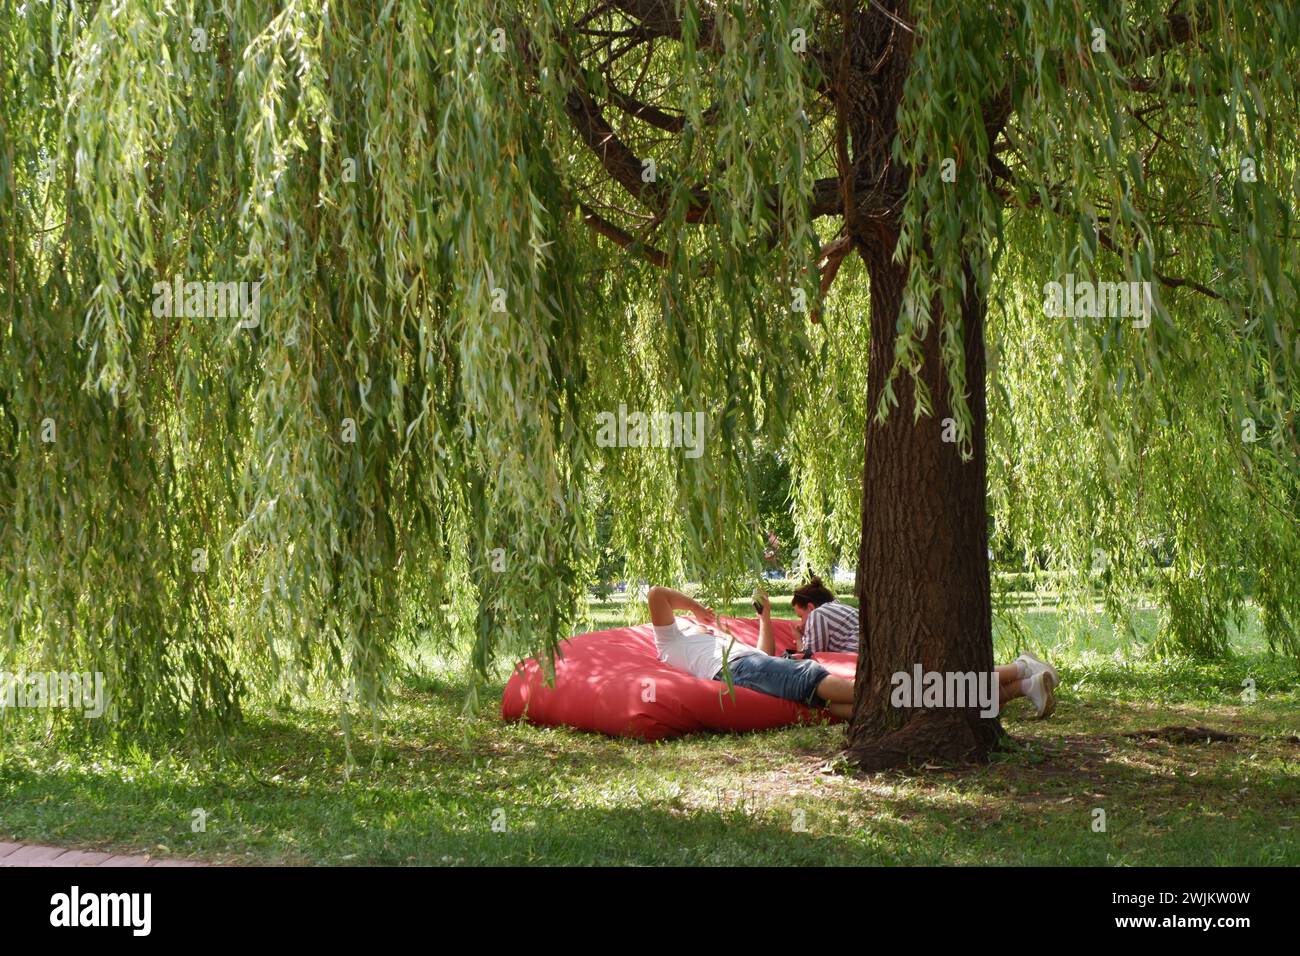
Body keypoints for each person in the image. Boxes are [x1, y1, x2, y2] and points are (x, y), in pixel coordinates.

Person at [753, 581, 1059, 718]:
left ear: (809, 607)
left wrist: (798, 638)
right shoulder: (842, 610)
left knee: (940, 688)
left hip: (873, 666)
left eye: (799, 615)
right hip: (878, 663)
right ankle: (1025, 684)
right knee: (945, 693)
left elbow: (815, 654)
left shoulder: (820, 614)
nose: (800, 621)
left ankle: (1021, 668)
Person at [647, 585, 857, 719]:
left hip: (748, 664)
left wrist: (764, 618)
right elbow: (657, 594)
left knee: (822, 702)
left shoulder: (718, 641)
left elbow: (763, 654)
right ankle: (884, 695)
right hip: (735, 667)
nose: (707, 626)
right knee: (806, 674)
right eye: (696, 625)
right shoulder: (669, 641)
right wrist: (695, 608)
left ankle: (884, 710)